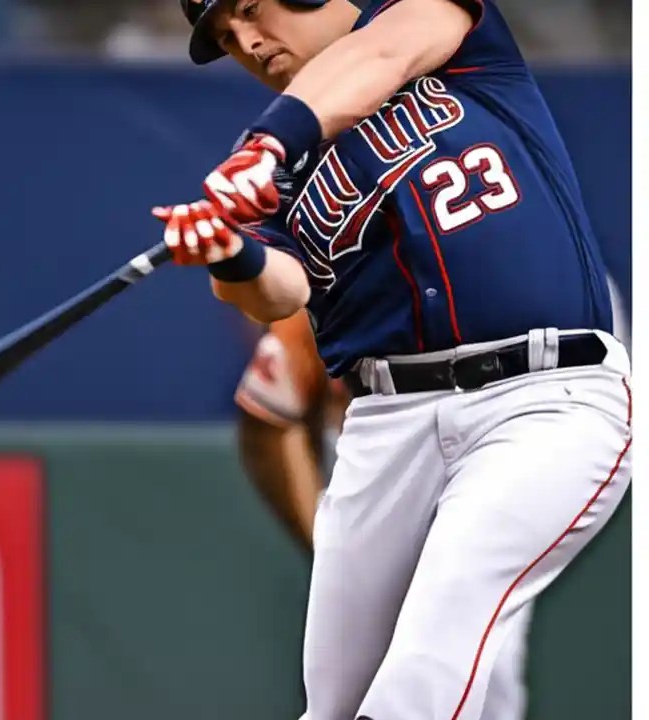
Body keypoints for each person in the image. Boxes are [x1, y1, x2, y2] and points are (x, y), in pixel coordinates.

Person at [157, 1, 632, 718]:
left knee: (433, 658)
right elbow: (276, 295)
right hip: (385, 426)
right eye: (225, 37)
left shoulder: (427, 21)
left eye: (250, 10)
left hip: (543, 399)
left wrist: (268, 145)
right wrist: (231, 250)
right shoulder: (266, 170)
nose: (247, 42)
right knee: (336, 704)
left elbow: (379, 55)